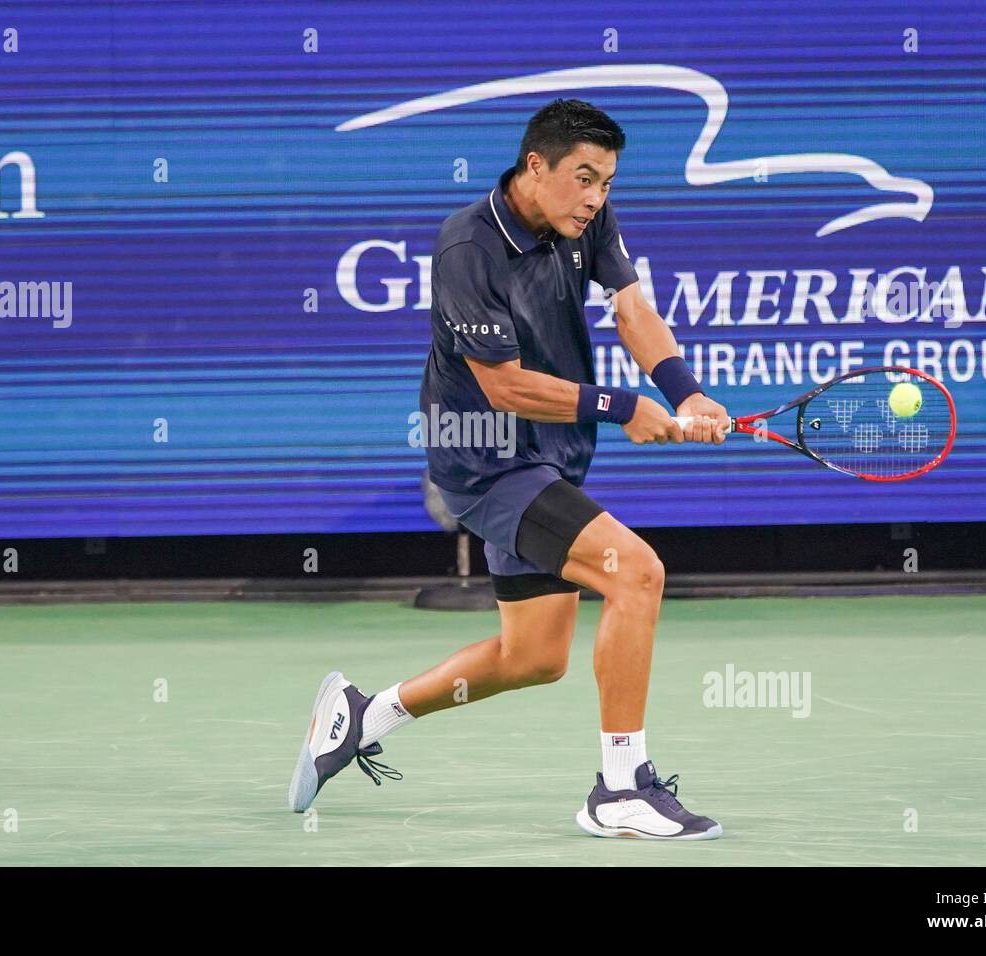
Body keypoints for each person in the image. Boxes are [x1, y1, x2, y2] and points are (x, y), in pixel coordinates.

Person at [289, 98, 729, 840]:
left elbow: (631, 309)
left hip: (549, 458)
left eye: (608, 183)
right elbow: (505, 385)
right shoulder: (468, 246)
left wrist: (684, 391)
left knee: (533, 657)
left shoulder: (587, 223)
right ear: (535, 166)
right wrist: (625, 406)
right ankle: (621, 789)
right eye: (583, 178)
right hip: (487, 459)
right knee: (637, 572)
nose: (596, 197)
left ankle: (366, 715)